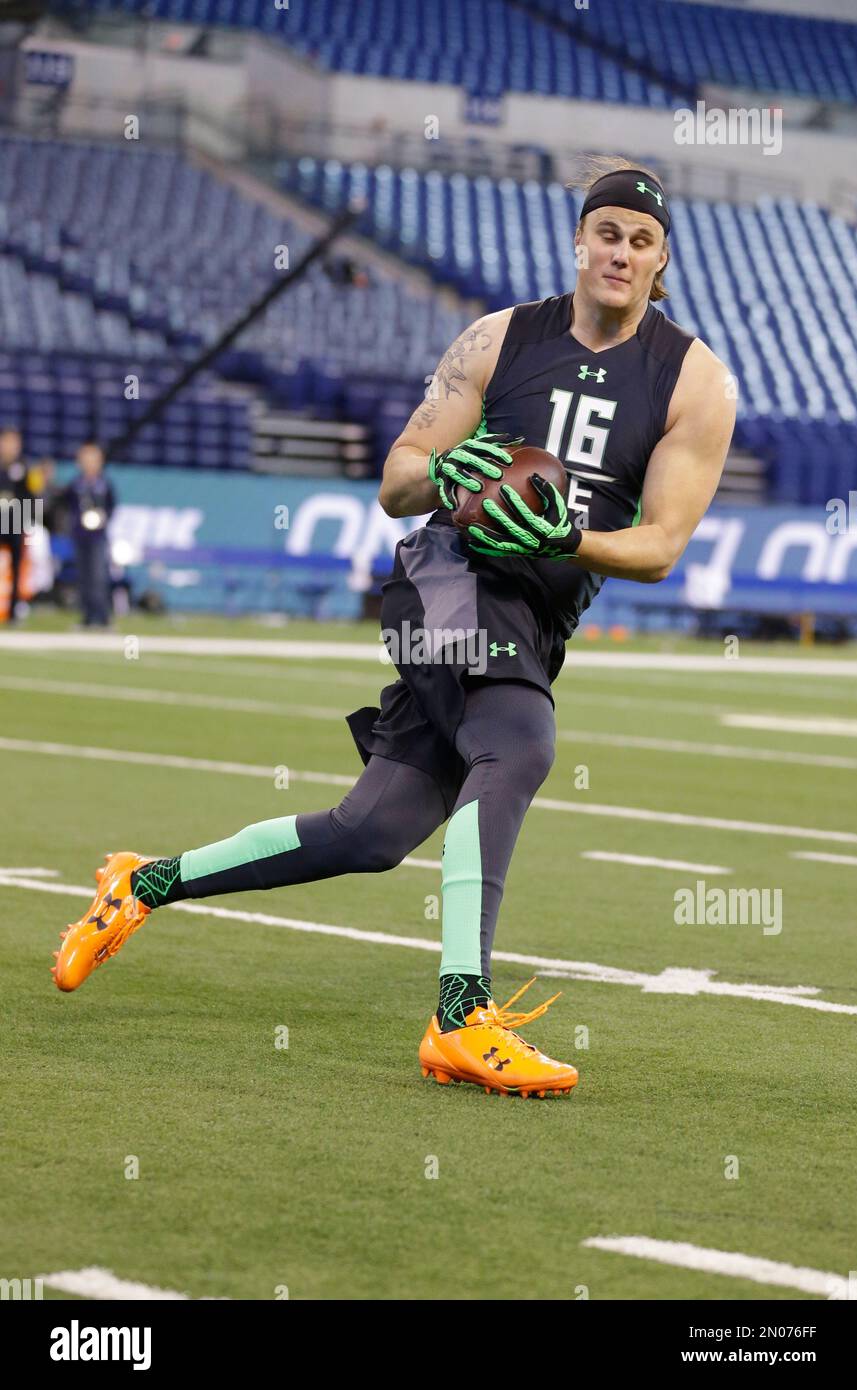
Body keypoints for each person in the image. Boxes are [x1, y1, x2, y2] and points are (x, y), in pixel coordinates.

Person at [52, 159, 735, 1101]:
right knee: (520, 743)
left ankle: (143, 882)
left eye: (641, 240)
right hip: (446, 575)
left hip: (536, 616)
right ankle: (461, 1017)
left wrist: (566, 535)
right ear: (579, 242)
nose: (620, 252)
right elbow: (397, 479)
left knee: (371, 831)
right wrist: (455, 473)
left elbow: (661, 546)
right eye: (606, 233)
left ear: (663, 261)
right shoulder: (498, 339)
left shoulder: (696, 381)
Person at [64, 440, 116, 628]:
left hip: (97, 537)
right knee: (83, 578)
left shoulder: (104, 484)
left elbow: (112, 507)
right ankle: (87, 616)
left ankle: (102, 617)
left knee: (98, 577)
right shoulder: (76, 484)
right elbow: (65, 503)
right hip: (79, 536)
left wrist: (103, 517)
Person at [0, 425, 33, 622]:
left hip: (14, 521)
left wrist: (26, 521)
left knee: (17, 567)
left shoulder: (24, 467)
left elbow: (30, 496)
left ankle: (13, 610)